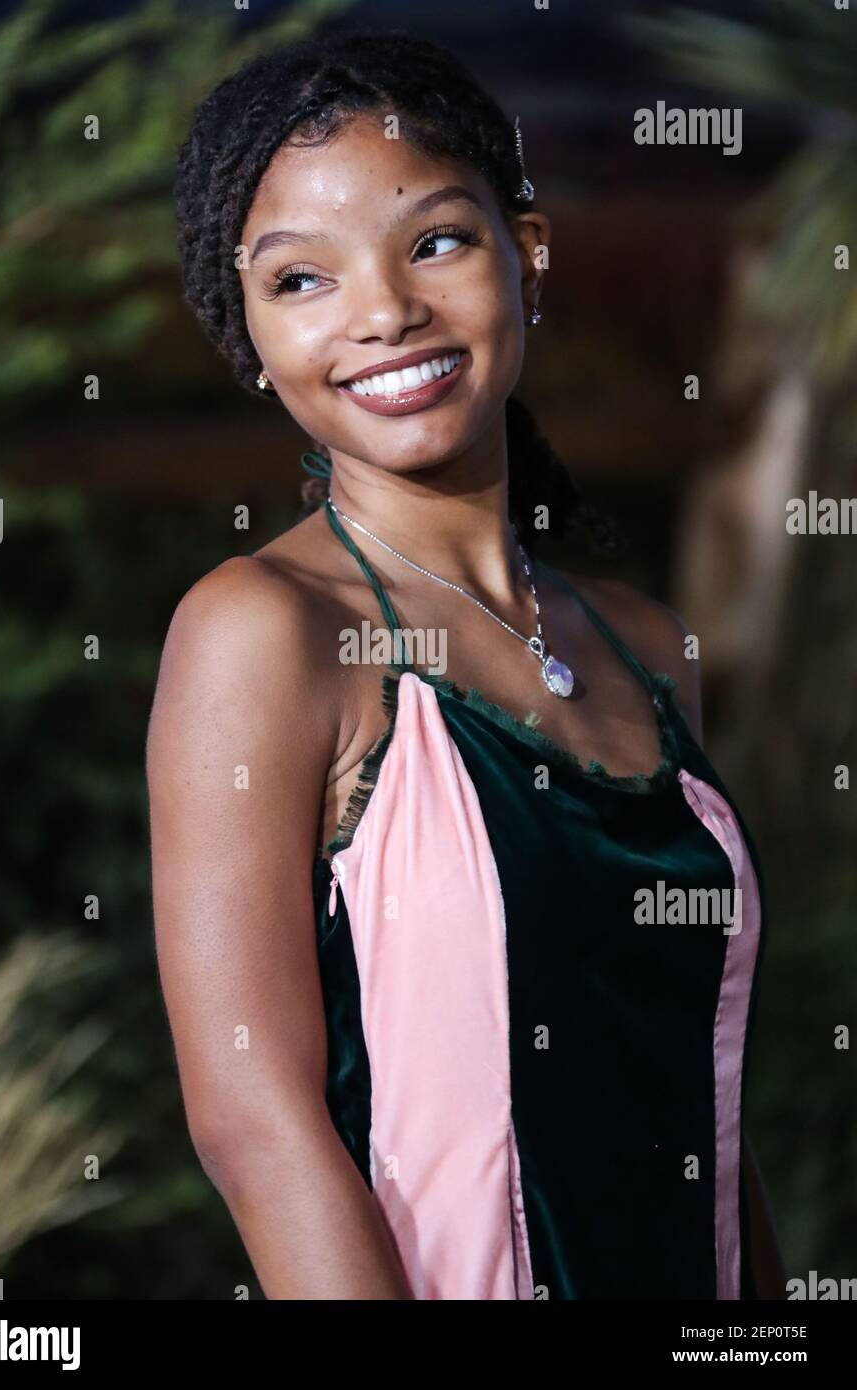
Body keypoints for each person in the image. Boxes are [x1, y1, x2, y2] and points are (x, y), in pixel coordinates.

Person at [147, 26, 786, 1300]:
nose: (384, 312)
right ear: (250, 334)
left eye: (435, 240)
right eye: (299, 280)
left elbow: (704, 1113)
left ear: (526, 254)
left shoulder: (646, 644)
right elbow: (254, 1121)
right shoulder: (263, 628)